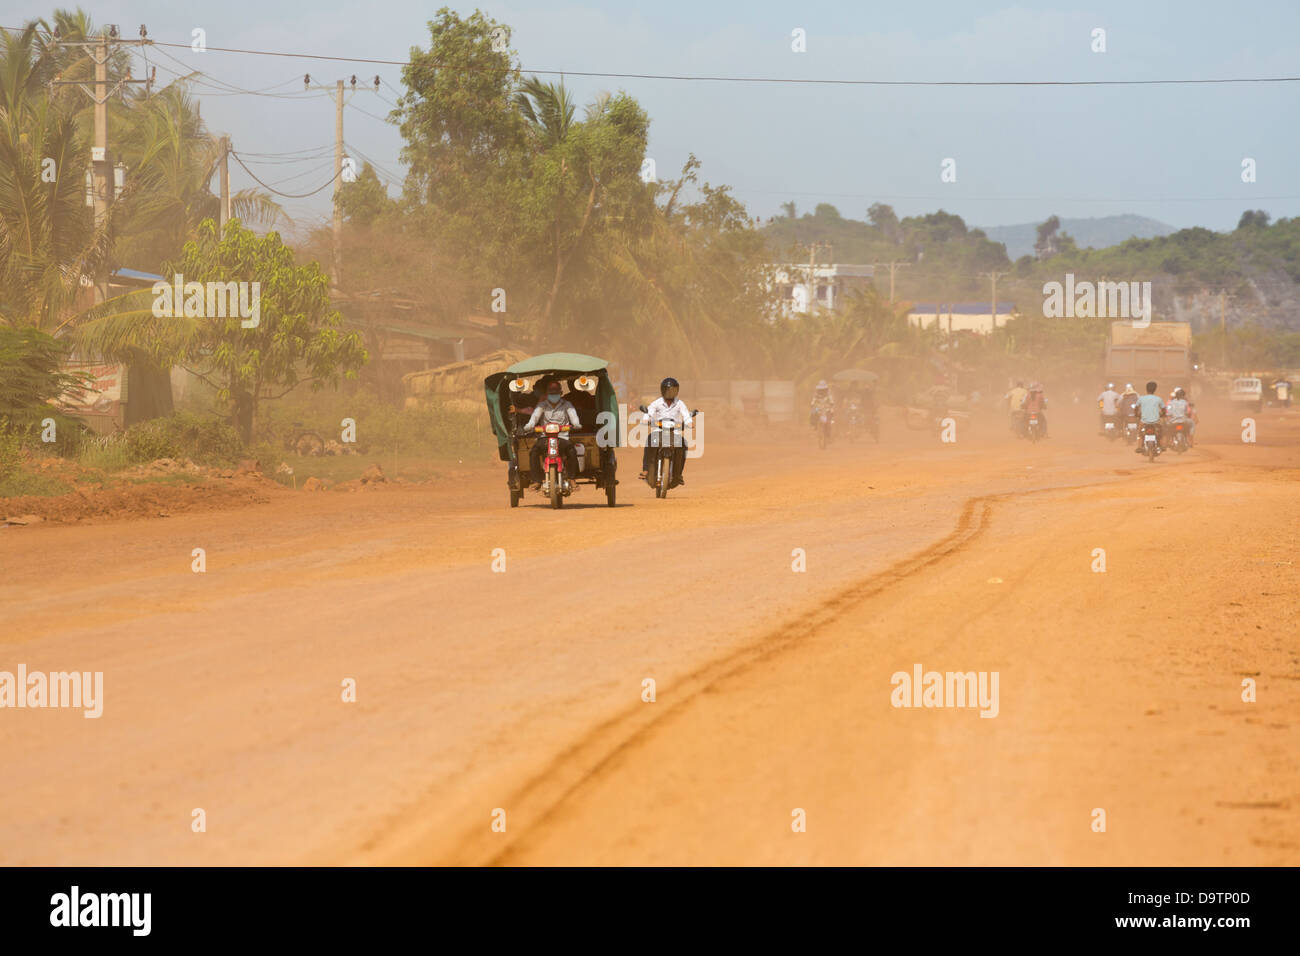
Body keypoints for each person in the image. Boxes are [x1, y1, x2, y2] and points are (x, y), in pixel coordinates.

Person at [521, 379, 580, 486]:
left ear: (561, 393)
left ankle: (572, 478)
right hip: (544, 438)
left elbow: (573, 415)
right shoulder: (542, 406)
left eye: (556, 393)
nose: (554, 396)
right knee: (534, 452)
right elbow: (535, 416)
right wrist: (529, 426)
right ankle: (537, 480)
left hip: (562, 438)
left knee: (572, 451)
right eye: (551, 394)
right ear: (547, 394)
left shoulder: (567, 405)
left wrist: (576, 424)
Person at [640, 377, 693, 486]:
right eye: (668, 390)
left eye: (673, 390)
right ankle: (646, 470)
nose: (670, 393)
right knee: (649, 441)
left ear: (677, 391)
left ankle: (678, 474)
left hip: (675, 433)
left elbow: (686, 415)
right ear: (663, 390)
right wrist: (646, 418)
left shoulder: (680, 403)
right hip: (659, 431)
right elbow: (649, 412)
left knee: (683, 445)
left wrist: (689, 422)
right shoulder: (657, 403)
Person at [1134, 380, 1166, 454]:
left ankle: (1139, 447)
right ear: (1155, 389)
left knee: (1140, 434)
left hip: (1144, 422)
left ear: (1146, 389)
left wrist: (1137, 415)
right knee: (1161, 434)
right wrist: (1162, 415)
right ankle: (1162, 445)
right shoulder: (1158, 399)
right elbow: (1164, 410)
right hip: (1156, 421)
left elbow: (1136, 408)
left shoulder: (1141, 398)